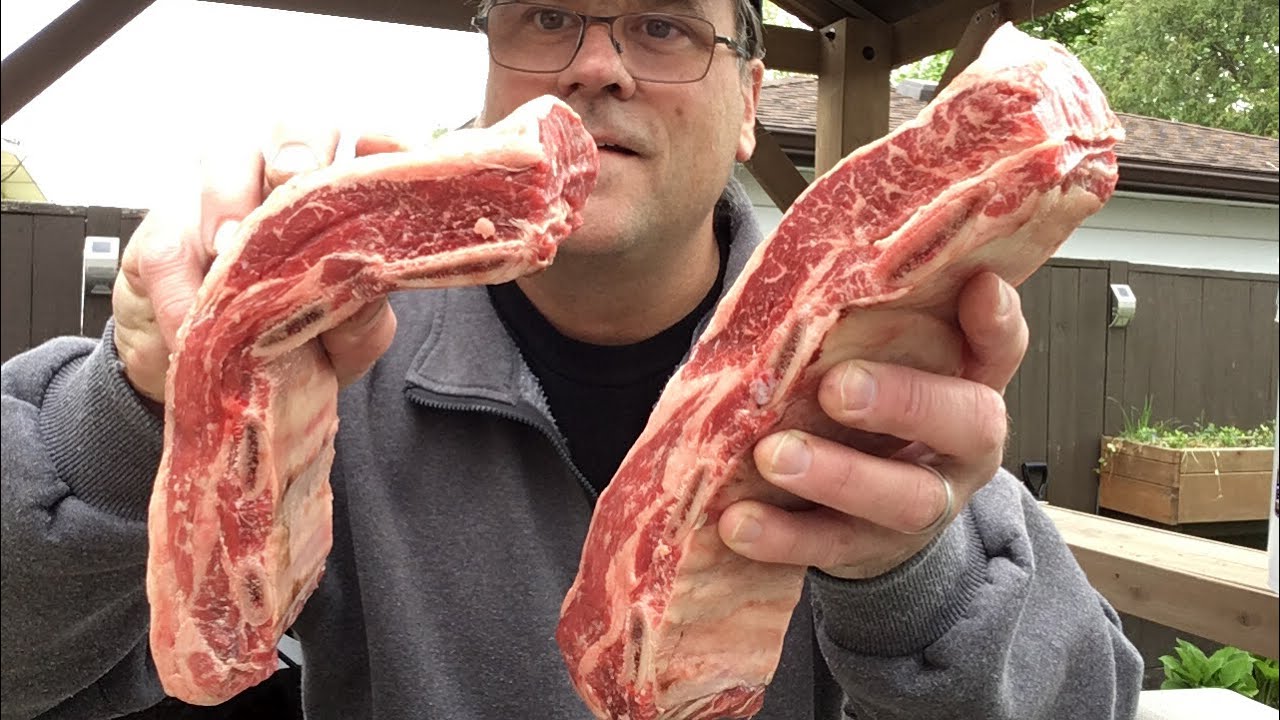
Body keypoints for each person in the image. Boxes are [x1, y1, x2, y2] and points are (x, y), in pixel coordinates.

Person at [0, 1, 1145, 718]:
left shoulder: (867, 366)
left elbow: (1089, 701)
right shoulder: (331, 352)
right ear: (491, 73)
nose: (595, 66)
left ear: (750, 102)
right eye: (546, 17)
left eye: (663, 27)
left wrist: (910, 574)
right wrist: (135, 405)